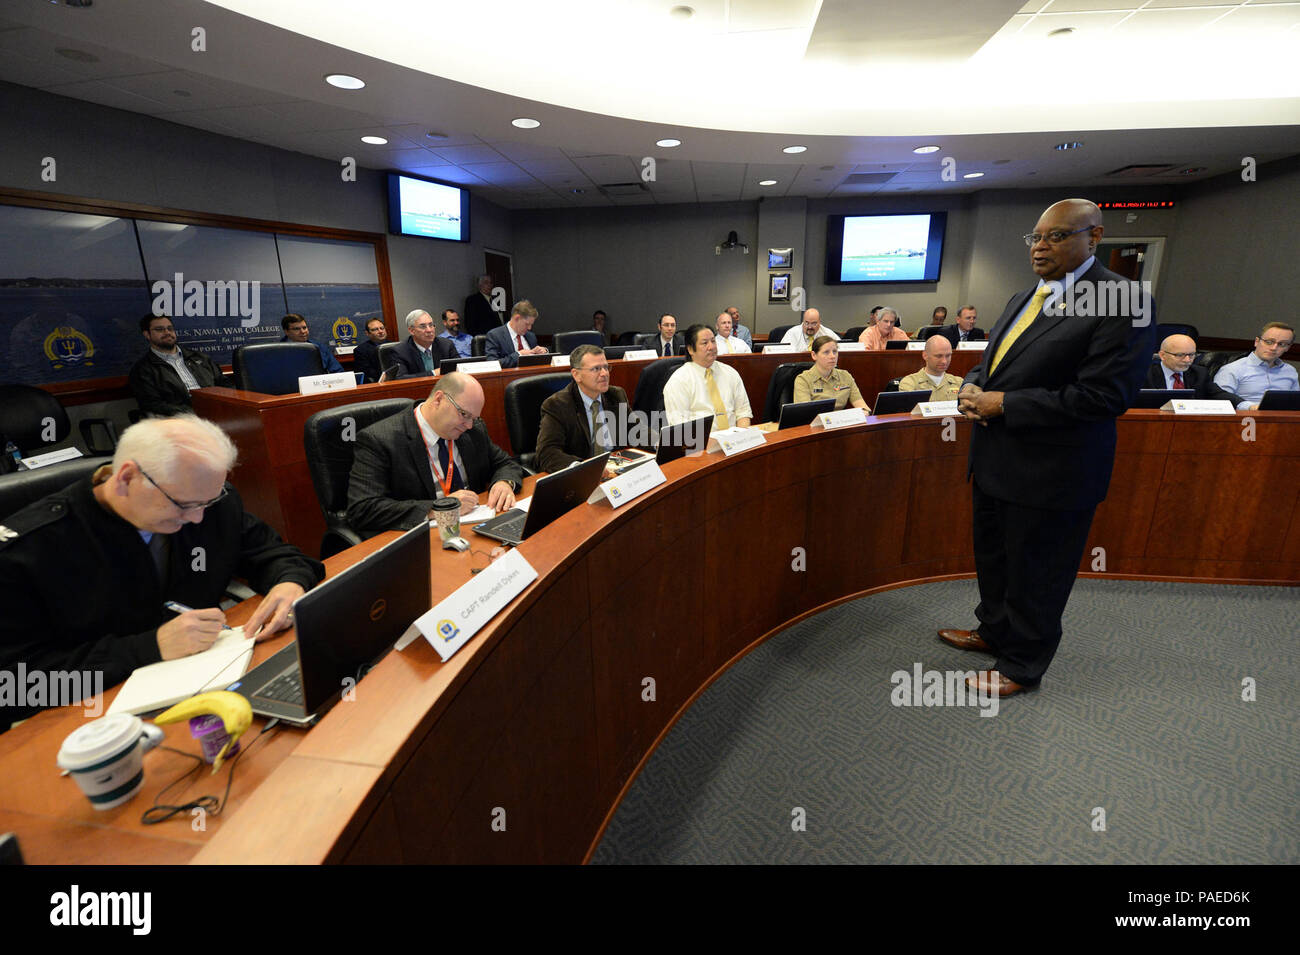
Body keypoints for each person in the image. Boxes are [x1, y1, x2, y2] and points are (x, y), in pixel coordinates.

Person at [945, 198, 1157, 699]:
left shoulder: (1123, 299)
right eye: (1036, 237)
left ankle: (1022, 665)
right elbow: (993, 360)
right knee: (996, 559)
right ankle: (994, 631)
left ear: (1095, 237)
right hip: (996, 459)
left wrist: (1005, 404)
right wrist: (972, 387)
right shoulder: (1026, 296)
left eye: (1057, 236)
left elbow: (1106, 396)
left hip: (1054, 469)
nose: (1041, 246)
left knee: (1038, 572)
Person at [0, 415, 324, 725]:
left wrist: (290, 583)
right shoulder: (28, 549)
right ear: (126, 478)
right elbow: (15, 686)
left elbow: (275, 554)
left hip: (209, 686)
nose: (197, 518)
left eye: (206, 503)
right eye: (184, 505)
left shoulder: (207, 501)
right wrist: (149, 647)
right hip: (93, 717)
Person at [346, 373, 523, 537]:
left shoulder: (472, 430)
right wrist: (437, 508)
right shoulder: (380, 440)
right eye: (464, 415)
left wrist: (504, 482)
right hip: (421, 537)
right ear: (439, 399)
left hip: (474, 528)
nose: (469, 425)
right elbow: (363, 509)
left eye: (474, 418)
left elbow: (506, 463)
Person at [536, 345, 631, 474]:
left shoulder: (616, 395)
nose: (604, 374)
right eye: (596, 369)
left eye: (606, 367)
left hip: (614, 468)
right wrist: (585, 468)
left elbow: (636, 428)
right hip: (582, 476)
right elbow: (547, 453)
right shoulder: (557, 405)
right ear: (577, 375)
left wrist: (659, 443)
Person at [128, 314, 231, 416]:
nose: (167, 332)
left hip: (218, 410)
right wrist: (191, 413)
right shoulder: (142, 370)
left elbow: (224, 384)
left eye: (170, 328)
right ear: (147, 334)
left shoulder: (199, 358)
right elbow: (152, 404)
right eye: (160, 329)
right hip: (182, 420)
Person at [662, 324, 753, 429]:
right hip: (700, 443)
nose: (712, 347)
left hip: (734, 440)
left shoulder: (730, 372)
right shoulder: (679, 381)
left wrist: (742, 436)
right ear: (691, 349)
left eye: (713, 341)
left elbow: (743, 412)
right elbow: (680, 428)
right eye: (705, 343)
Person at [1212, 322, 1297, 410]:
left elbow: (1295, 402)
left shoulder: (1290, 371)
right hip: (1245, 419)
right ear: (1257, 342)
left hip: (1283, 420)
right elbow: (1220, 401)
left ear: (1287, 348)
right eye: (1269, 342)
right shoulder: (1232, 369)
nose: (1274, 348)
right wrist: (1251, 407)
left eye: (1281, 344)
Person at [1146, 333, 1238, 402]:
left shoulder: (1199, 373)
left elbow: (1218, 394)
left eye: (1191, 355)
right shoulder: (1144, 375)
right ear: (1162, 355)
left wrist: (1247, 405)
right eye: (1180, 355)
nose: (1187, 360)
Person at [793, 336, 867, 411]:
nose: (832, 356)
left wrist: (865, 412)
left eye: (835, 351)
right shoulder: (803, 380)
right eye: (826, 352)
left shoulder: (845, 376)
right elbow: (804, 412)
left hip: (841, 420)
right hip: (815, 421)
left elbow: (861, 405)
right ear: (814, 355)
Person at [390, 309, 458, 377]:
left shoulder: (446, 345)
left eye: (431, 325)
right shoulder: (400, 351)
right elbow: (400, 378)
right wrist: (433, 373)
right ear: (411, 330)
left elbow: (461, 367)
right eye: (423, 326)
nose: (429, 330)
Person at [898, 335, 963, 400]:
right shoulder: (909, 383)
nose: (944, 361)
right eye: (939, 356)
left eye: (948, 356)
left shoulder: (959, 383)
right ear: (925, 355)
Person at [485, 300, 548, 368]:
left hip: (533, 376)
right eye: (527, 324)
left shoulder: (531, 336)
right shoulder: (495, 335)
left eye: (531, 324)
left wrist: (543, 352)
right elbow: (492, 364)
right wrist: (519, 354)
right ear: (517, 318)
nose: (529, 328)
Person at [352, 317, 388, 383]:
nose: (380, 331)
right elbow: (367, 373)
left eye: (382, 328)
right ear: (367, 333)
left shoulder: (394, 345)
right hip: (376, 382)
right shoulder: (361, 350)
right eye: (375, 329)